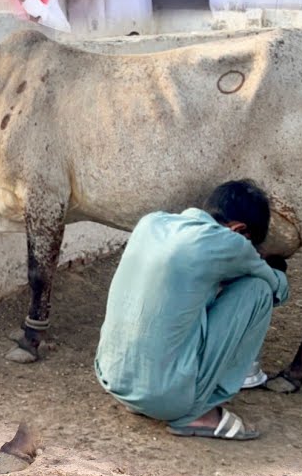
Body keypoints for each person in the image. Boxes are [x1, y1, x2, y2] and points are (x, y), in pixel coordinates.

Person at [95, 180, 289, 441]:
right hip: (165, 398)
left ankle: (148, 393)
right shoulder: (232, 243)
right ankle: (198, 412)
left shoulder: (150, 223)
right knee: (258, 291)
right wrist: (268, 266)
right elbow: (278, 289)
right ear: (240, 230)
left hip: (112, 380)